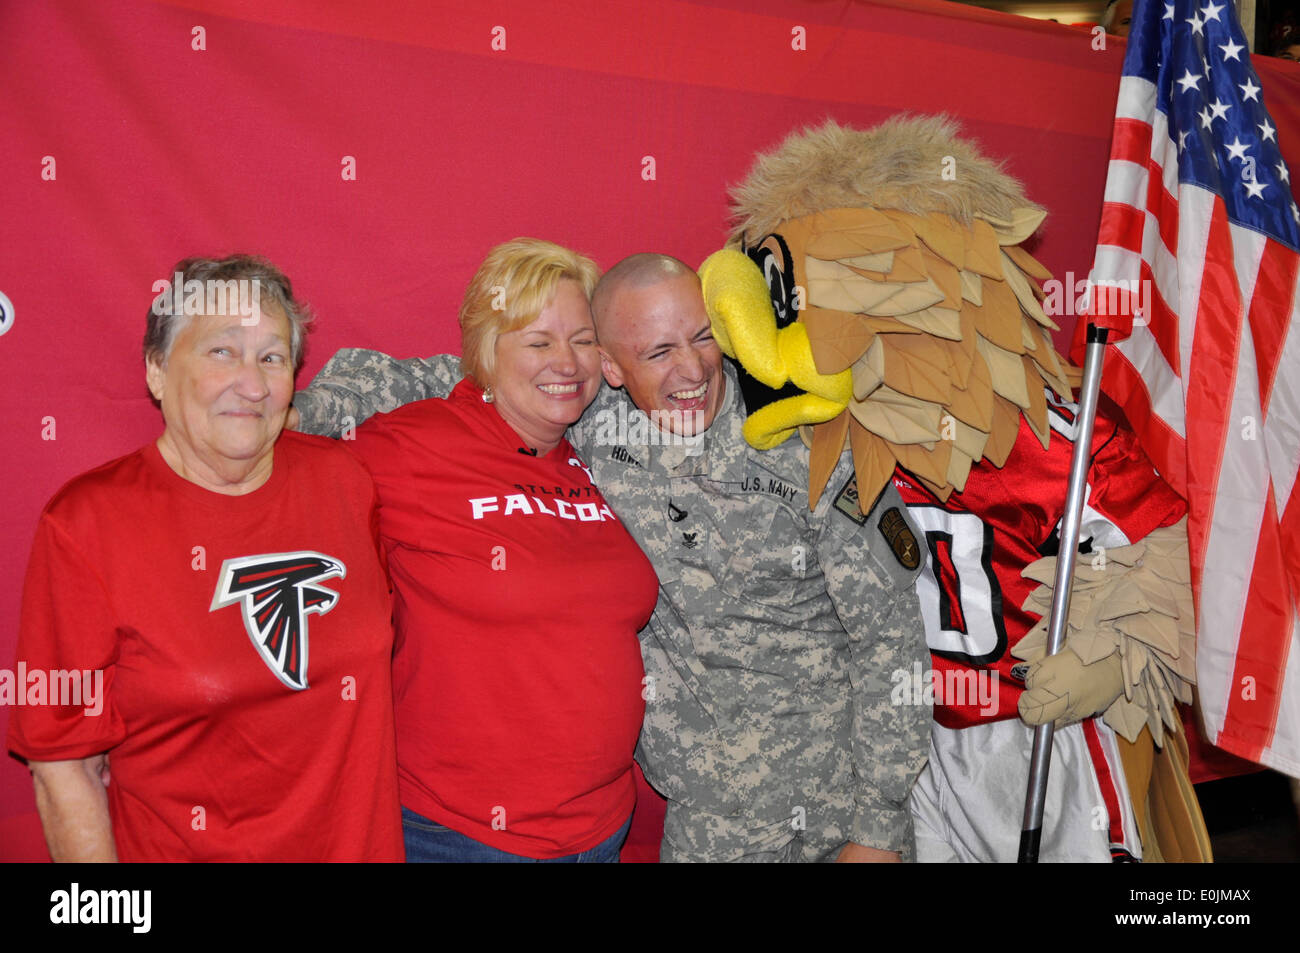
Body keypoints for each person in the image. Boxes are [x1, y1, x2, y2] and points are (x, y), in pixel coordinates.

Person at [292, 253, 931, 862]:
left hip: (834, 809)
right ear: (613, 367)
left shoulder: (806, 439)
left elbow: (892, 639)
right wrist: (300, 410)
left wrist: (880, 825)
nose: (692, 372)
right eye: (657, 352)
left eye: (703, 339)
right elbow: (463, 374)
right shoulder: (593, 417)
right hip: (708, 821)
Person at [7, 255, 403, 861]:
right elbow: (63, 766)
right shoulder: (87, 523)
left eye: (271, 357)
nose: (253, 383)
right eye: (223, 351)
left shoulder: (344, 482)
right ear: (157, 371)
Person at [343, 238, 658, 863]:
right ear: (489, 349)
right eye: (538, 342)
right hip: (460, 835)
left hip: (601, 828)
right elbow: (275, 480)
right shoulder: (414, 444)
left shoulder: (610, 459)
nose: (566, 362)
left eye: (583, 339)